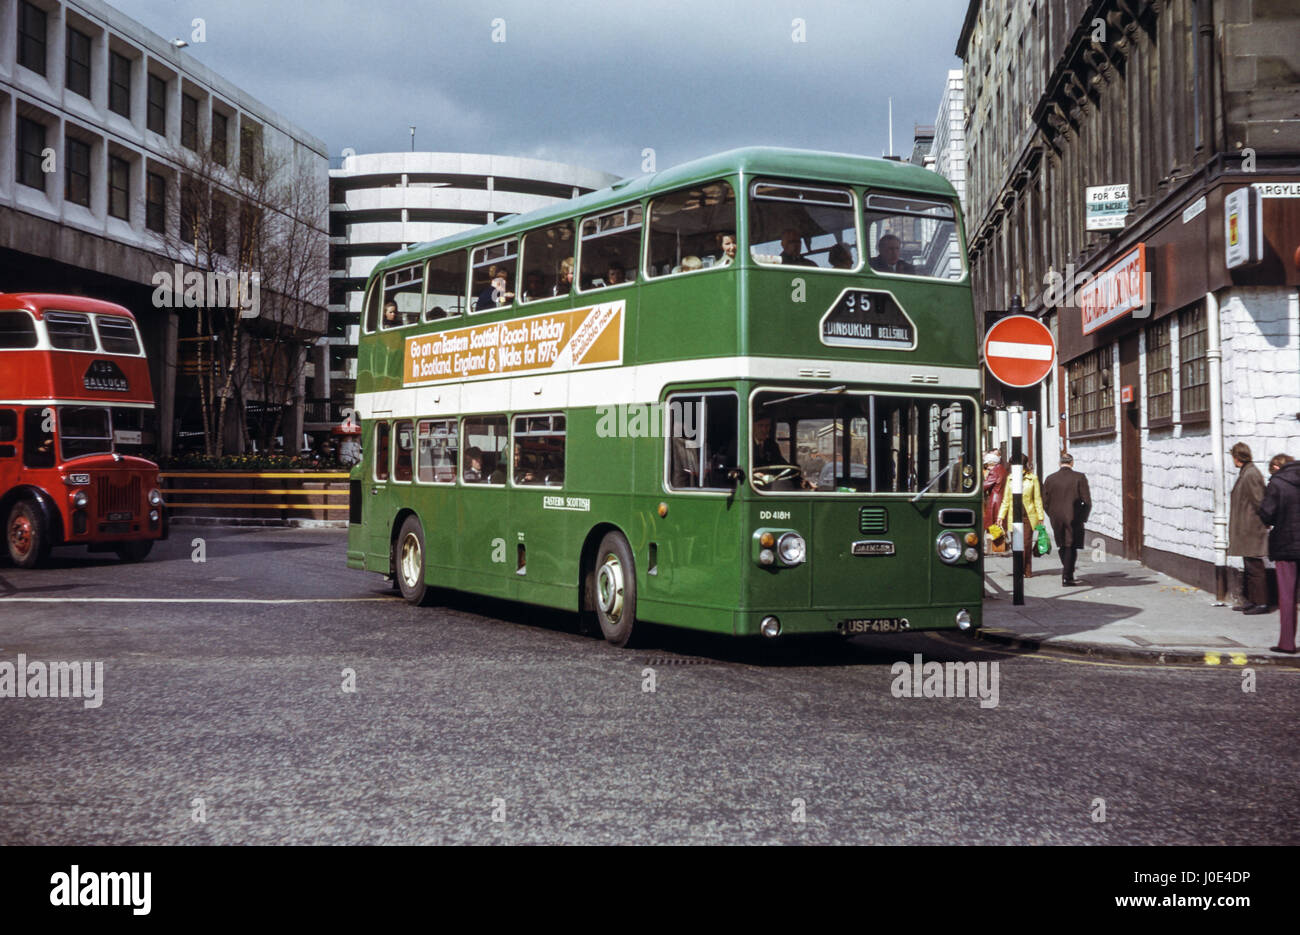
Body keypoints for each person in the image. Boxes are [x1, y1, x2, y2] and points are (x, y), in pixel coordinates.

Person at [1258, 453, 1300, 654]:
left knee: (1287, 596)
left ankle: (1287, 643)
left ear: (1276, 466)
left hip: (1286, 543)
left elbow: (1267, 513)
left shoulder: (1277, 484)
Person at [1228, 442, 1271, 614]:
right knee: (1249, 565)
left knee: (1255, 566)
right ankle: (1252, 600)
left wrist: (1266, 521)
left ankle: (1261, 602)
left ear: (1237, 457)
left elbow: (1260, 501)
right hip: (1246, 528)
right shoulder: (1246, 472)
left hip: (1251, 528)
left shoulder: (1251, 474)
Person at [1042, 451, 1091, 586]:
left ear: (1060, 463)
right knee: (1071, 545)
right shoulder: (1079, 477)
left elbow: (1045, 501)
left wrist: (1051, 513)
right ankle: (1067, 576)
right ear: (1072, 463)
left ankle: (1067, 570)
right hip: (1073, 515)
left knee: (1062, 544)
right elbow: (1087, 501)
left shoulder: (1050, 478)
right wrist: (1082, 517)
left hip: (1055, 516)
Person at [997, 453, 1045, 577]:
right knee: (1016, 545)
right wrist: (1000, 516)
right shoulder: (1010, 479)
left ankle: (1026, 570)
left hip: (1028, 516)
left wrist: (1040, 517)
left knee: (1027, 544)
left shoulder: (1032, 478)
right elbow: (1006, 500)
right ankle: (1019, 569)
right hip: (1014, 515)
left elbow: (1037, 499)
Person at [982, 451, 1007, 541]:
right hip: (1001, 498)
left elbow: (984, 486)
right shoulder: (1002, 469)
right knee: (999, 524)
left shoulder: (994, 471)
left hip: (994, 500)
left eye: (987, 465)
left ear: (991, 463)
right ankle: (1000, 543)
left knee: (992, 524)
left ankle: (995, 544)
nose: (987, 467)